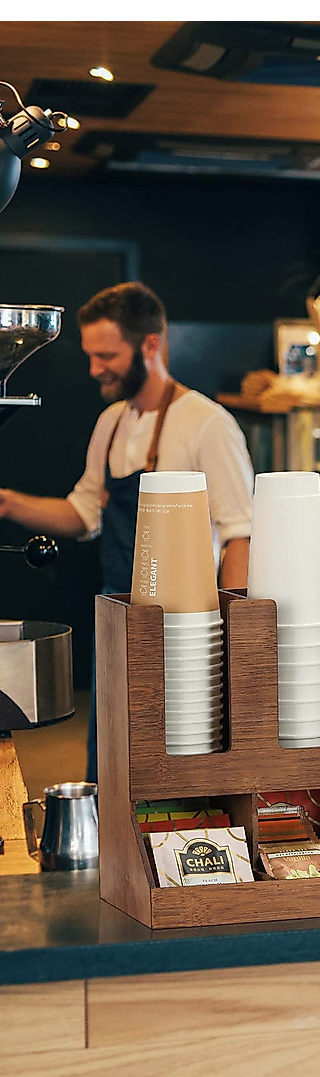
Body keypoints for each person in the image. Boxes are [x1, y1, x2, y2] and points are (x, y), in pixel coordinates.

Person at [0, 281, 254, 781]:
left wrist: (235, 633)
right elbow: (84, 514)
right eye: (90, 355)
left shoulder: (207, 424)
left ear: (151, 345)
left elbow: (240, 532)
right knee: (113, 761)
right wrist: (6, 502)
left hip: (185, 630)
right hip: (117, 621)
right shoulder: (111, 422)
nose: (95, 368)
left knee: (176, 765)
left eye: (107, 355)